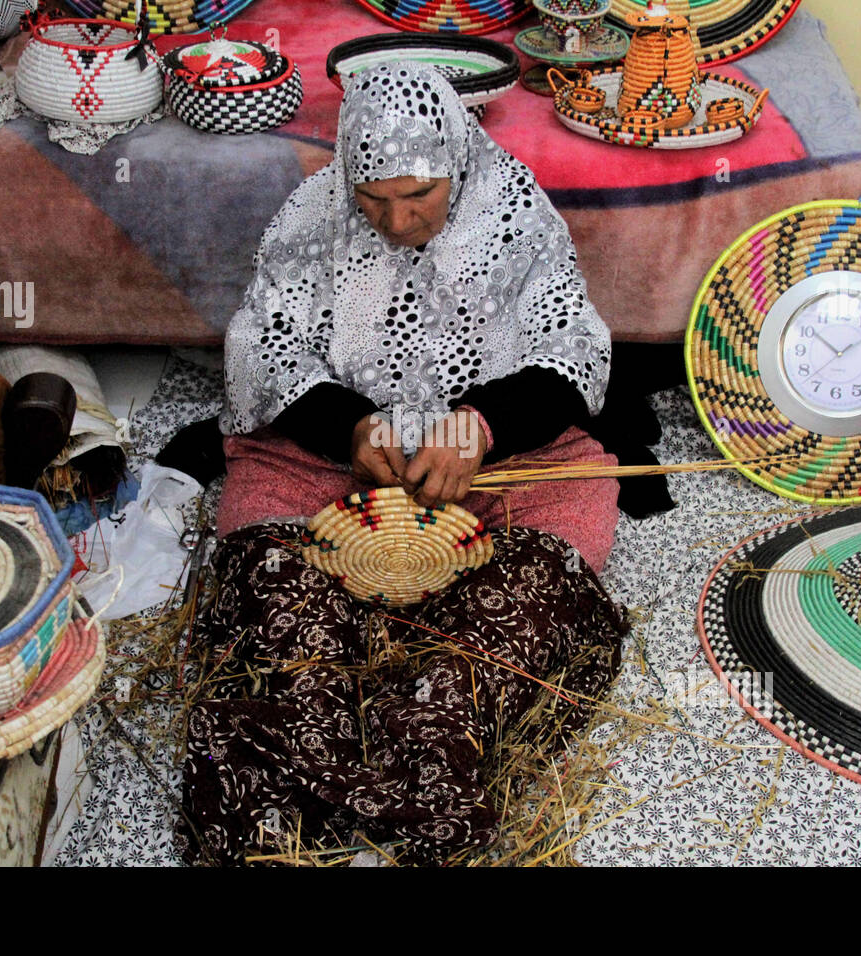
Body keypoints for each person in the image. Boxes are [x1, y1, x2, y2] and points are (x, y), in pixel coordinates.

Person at [176, 63, 630, 865]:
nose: (395, 220)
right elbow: (263, 342)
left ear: (455, 162)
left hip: (495, 466)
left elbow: (573, 344)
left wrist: (483, 425)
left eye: (419, 197)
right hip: (335, 467)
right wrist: (348, 427)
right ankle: (288, 792)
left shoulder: (512, 213)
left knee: (526, 594)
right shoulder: (312, 219)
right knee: (278, 596)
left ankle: (434, 741)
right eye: (373, 200)